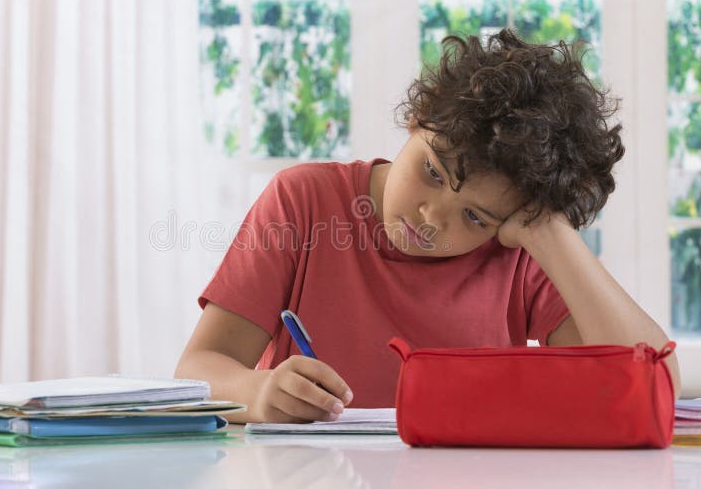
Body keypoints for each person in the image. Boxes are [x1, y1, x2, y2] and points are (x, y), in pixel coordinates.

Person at [175, 29, 681, 424]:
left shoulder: (521, 247)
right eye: (432, 171)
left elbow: (656, 382)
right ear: (417, 119)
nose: (432, 217)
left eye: (475, 216)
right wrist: (257, 393)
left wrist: (548, 230)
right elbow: (200, 369)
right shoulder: (302, 200)